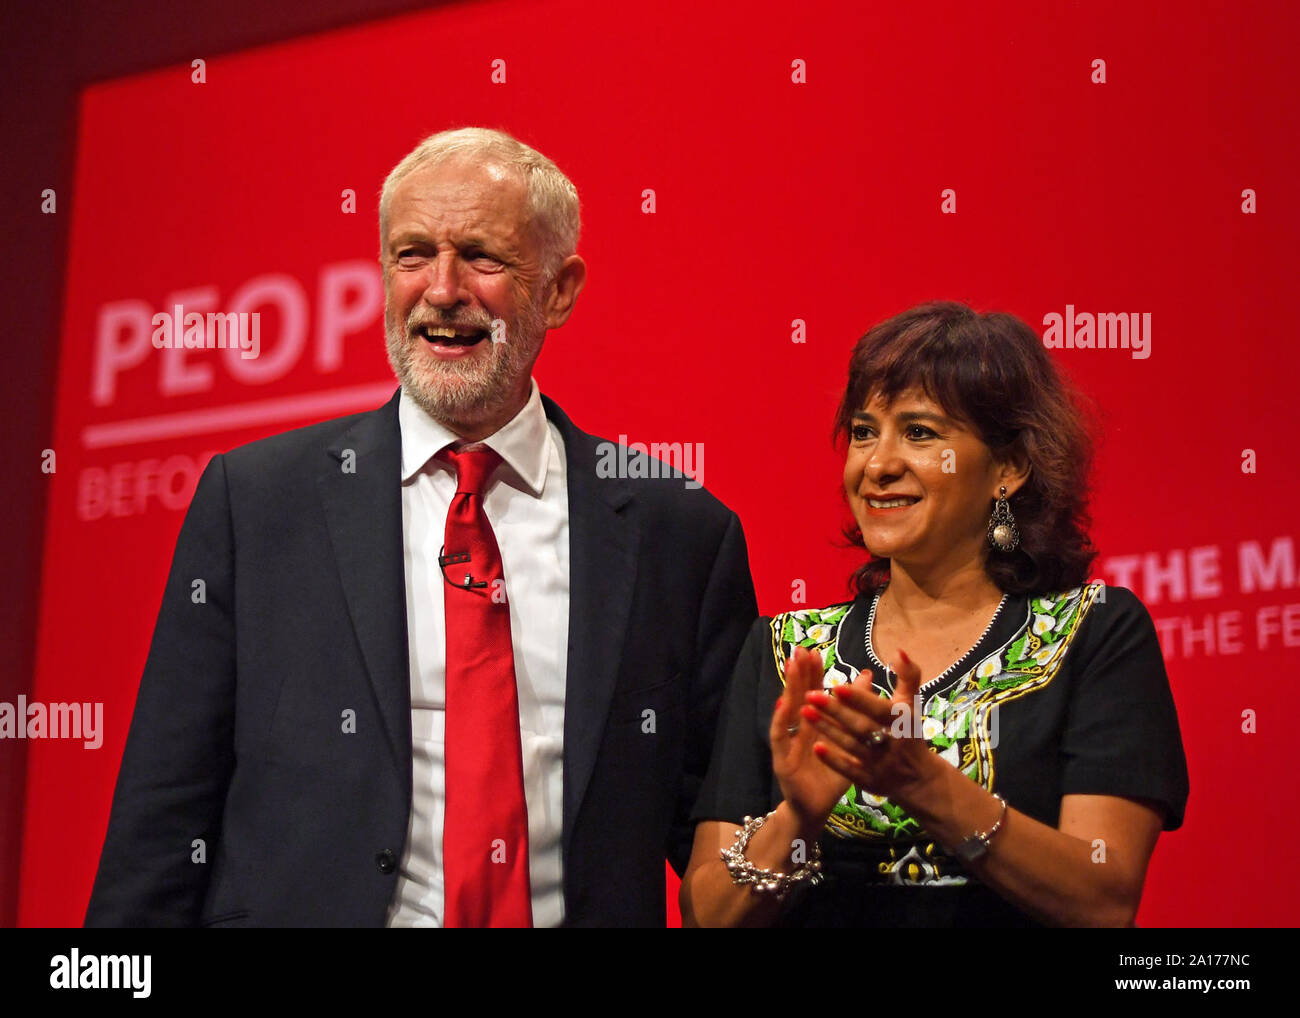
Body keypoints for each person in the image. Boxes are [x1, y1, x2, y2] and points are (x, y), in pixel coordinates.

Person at [85, 127, 757, 928]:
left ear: (560, 289)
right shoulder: (257, 503)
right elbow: (163, 817)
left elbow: (722, 838)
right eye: (411, 255)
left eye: (481, 256)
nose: (441, 289)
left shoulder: (678, 533)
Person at [680, 301, 1188, 927]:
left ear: (1008, 468)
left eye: (920, 433)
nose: (878, 464)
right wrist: (799, 820)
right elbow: (707, 916)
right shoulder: (788, 652)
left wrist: (924, 784)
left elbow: (1103, 900)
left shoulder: (1094, 632)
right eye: (864, 432)